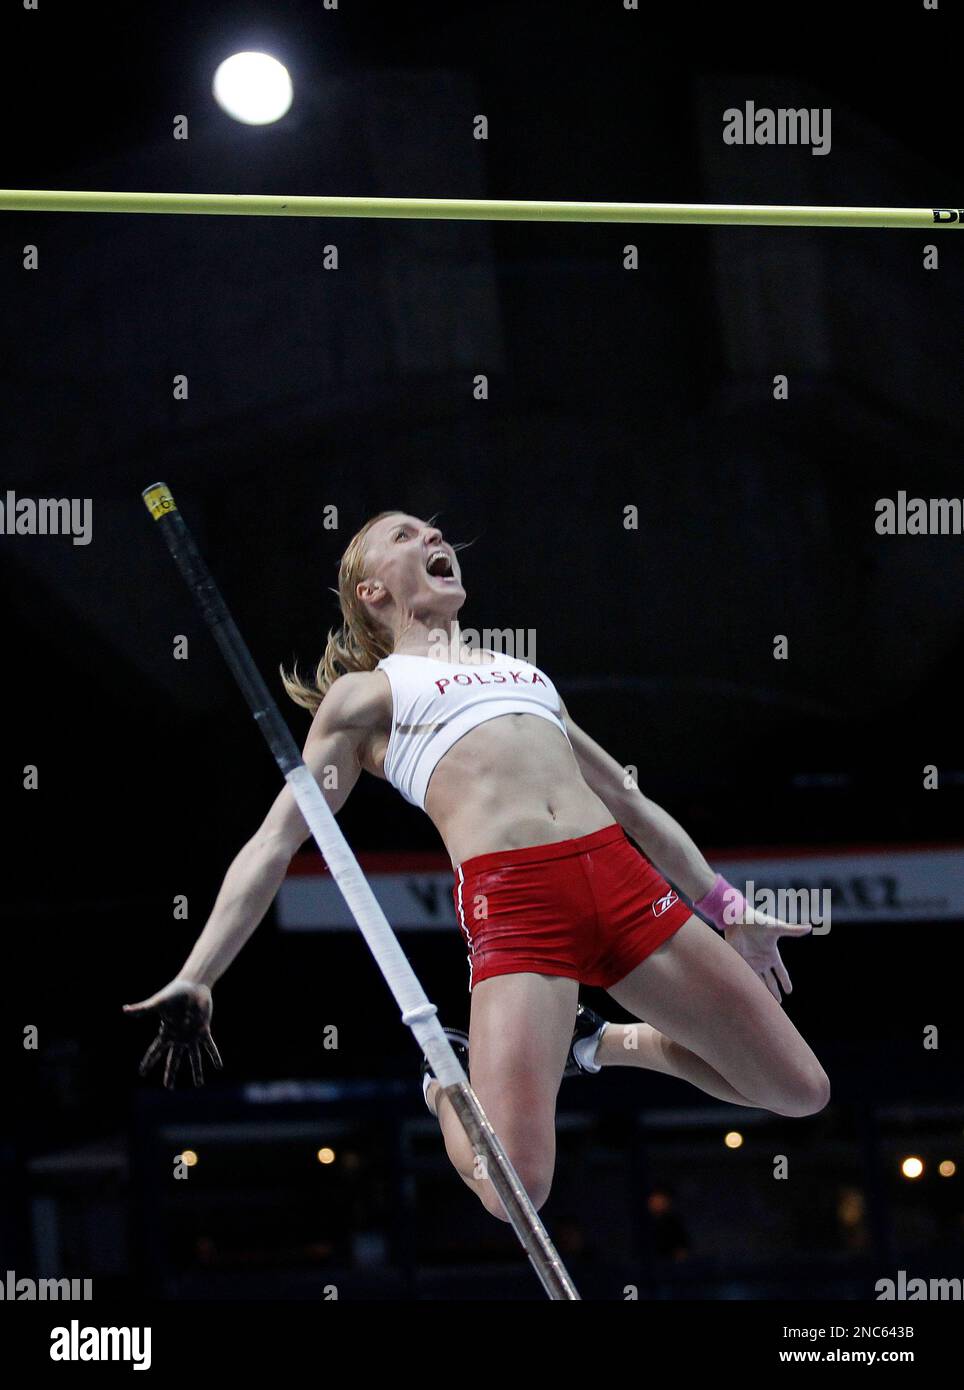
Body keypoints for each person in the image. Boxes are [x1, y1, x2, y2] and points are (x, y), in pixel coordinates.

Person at [124, 511, 829, 1224]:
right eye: (402, 536)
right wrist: (198, 974)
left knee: (798, 1089)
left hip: (622, 883)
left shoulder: (523, 672)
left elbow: (626, 796)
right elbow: (276, 841)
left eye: (431, 532)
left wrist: (729, 910)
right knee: (515, 1189)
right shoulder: (368, 697)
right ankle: (444, 1081)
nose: (431, 538)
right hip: (519, 908)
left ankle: (606, 1045)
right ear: (370, 592)